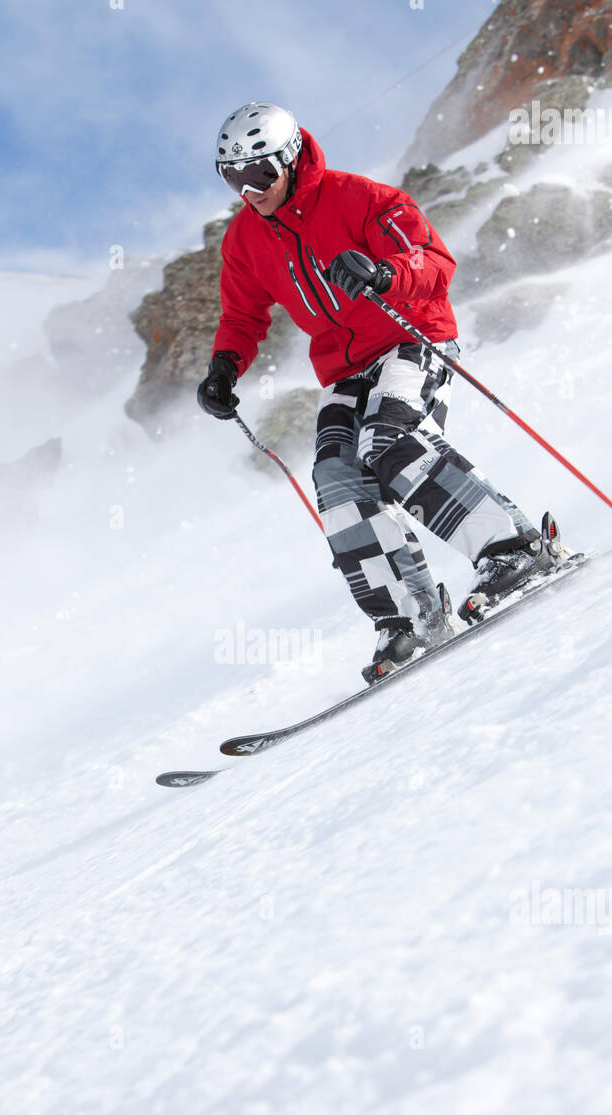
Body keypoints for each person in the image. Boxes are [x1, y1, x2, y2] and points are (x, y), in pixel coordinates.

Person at [197, 101, 563, 683]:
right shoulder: (244, 239)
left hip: (411, 337)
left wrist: (384, 273)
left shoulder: (362, 198)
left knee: (391, 443)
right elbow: (243, 315)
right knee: (337, 479)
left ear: (290, 160)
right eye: (233, 176)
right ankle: (410, 615)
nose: (250, 189)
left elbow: (435, 262)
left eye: (261, 173)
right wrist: (224, 367)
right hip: (344, 369)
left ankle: (514, 547)